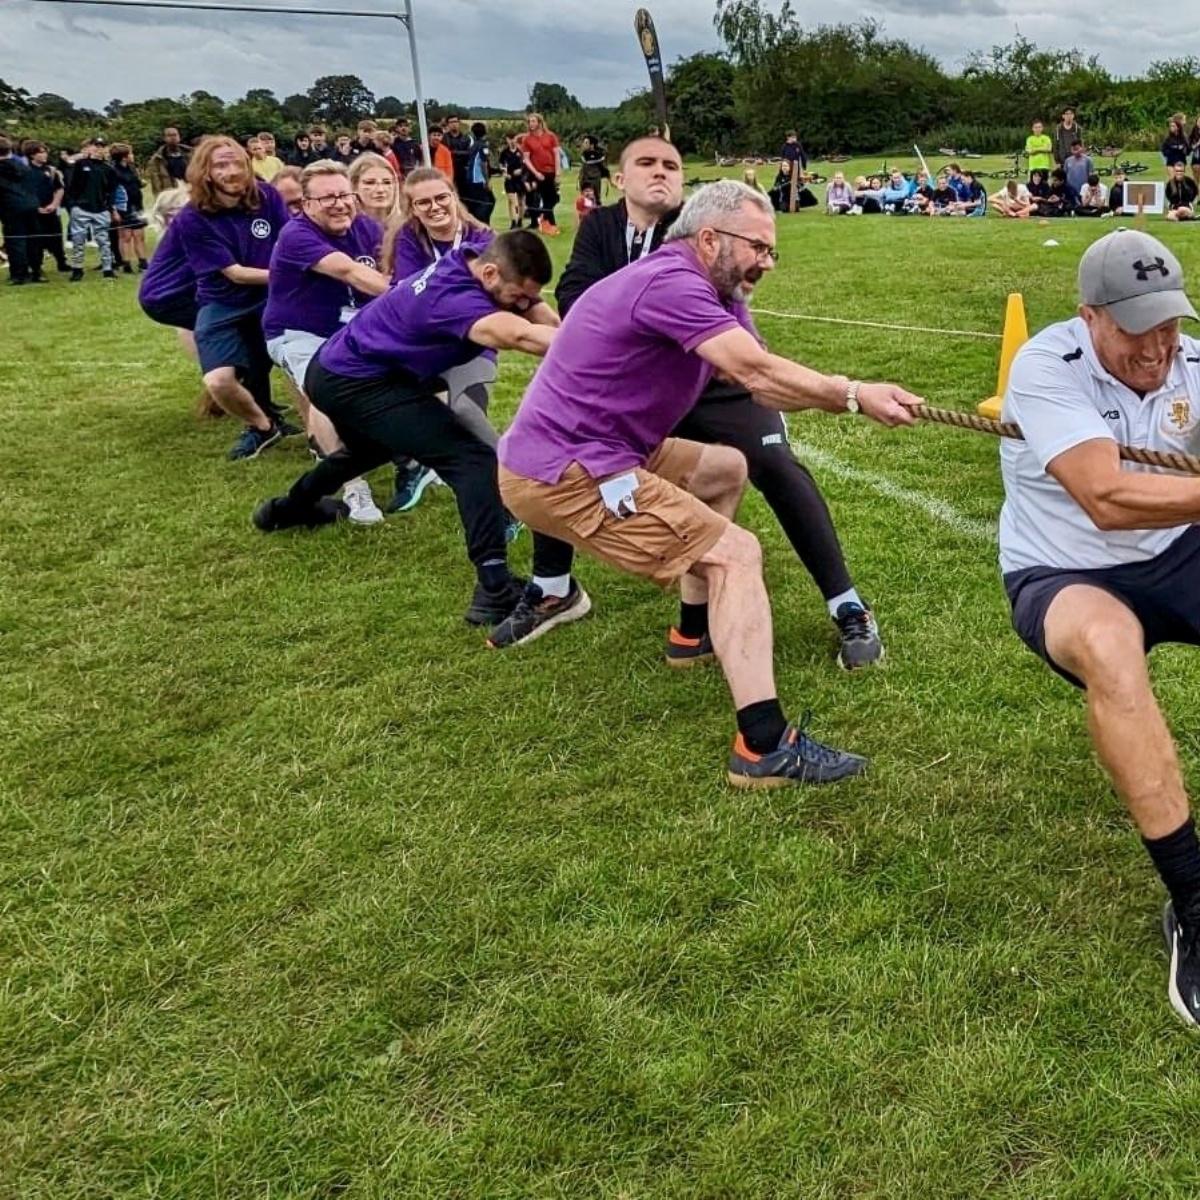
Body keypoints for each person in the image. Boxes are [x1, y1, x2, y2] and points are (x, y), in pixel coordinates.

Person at [496, 180, 921, 784]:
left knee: (726, 469)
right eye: (758, 248)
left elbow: (757, 382)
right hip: (565, 472)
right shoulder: (671, 282)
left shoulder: (719, 294)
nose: (767, 263)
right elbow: (757, 370)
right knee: (736, 555)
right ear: (710, 239)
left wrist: (847, 398)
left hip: (610, 452)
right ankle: (763, 747)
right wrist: (852, 393)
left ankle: (691, 634)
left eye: (773, 251)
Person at [531, 146, 899, 672]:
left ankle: (847, 605)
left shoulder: (704, 232)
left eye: (671, 166)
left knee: (773, 463)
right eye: (647, 164)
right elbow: (574, 294)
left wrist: (845, 393)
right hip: (644, 385)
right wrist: (640, 318)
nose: (660, 173)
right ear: (619, 178)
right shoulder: (603, 228)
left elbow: (751, 358)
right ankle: (557, 588)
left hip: (715, 374)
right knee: (563, 451)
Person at [998, 229, 1200, 1026]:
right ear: (1089, 317)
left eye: (1170, 324)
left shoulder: (1191, 361)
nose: (1156, 348)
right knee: (1110, 651)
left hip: (1177, 550)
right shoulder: (1046, 364)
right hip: (1064, 569)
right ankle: (1193, 903)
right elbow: (1106, 499)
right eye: (1136, 328)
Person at [252, 231, 561, 629]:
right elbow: (520, 334)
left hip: (344, 369)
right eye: (517, 297)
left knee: (366, 452)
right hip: (354, 380)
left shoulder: (471, 257)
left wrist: (547, 316)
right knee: (470, 459)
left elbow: (544, 320)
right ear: (488, 274)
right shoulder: (453, 299)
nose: (522, 305)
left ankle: (287, 510)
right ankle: (494, 591)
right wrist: (599, 344)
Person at [263, 160, 391, 525]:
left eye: (344, 195)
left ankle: (416, 460)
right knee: (324, 386)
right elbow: (350, 271)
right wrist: (414, 296)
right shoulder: (296, 234)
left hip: (354, 330)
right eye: (327, 198)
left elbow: (392, 268)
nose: (339, 204)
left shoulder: (367, 227)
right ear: (306, 204)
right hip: (298, 334)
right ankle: (354, 486)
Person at [379, 166, 507, 512]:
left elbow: (490, 297)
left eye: (441, 197)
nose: (435, 207)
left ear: (454, 197)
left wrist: (439, 296)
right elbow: (410, 294)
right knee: (377, 397)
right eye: (424, 203)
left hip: (470, 343)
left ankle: (514, 484)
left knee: (465, 411)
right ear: (412, 208)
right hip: (421, 346)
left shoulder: (483, 238)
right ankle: (412, 465)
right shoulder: (408, 238)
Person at [172, 135, 293, 459]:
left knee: (297, 357)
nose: (232, 171)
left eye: (237, 162)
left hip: (270, 296)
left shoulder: (267, 196)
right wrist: (291, 274)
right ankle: (263, 426)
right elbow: (236, 273)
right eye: (221, 165)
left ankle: (322, 436)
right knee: (218, 381)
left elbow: (289, 240)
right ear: (206, 172)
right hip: (223, 302)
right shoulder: (191, 217)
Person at [63, 137, 117, 281]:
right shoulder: (80, 164)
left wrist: (110, 207)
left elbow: (112, 191)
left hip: (101, 208)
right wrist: (73, 204)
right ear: (90, 147)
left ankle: (107, 269)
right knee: (78, 240)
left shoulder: (108, 169)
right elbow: (71, 186)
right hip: (81, 207)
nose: (99, 149)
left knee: (104, 240)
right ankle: (77, 268)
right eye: (96, 146)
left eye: (102, 146)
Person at [25, 142, 68, 276]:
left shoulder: (51, 170)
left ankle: (62, 263)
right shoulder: (24, 170)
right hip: (33, 211)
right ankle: (36, 267)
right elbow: (24, 192)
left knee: (56, 237)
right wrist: (35, 207)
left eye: (45, 152)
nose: (44, 155)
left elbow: (59, 189)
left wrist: (54, 204)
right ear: (32, 155)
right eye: (41, 152)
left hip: (51, 210)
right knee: (36, 240)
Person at [0, 135, 38, 284]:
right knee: (31, 239)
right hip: (31, 204)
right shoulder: (22, 165)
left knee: (14, 240)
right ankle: (35, 270)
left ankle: (19, 274)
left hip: (11, 206)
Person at [109, 143, 148, 272]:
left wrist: (141, 183)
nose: (133, 155)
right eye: (130, 153)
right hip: (124, 206)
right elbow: (111, 192)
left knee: (139, 235)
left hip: (136, 205)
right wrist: (114, 211)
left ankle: (143, 262)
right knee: (125, 236)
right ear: (124, 157)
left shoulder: (132, 168)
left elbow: (136, 183)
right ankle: (126, 264)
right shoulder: (113, 171)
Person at [520, 112, 561, 234]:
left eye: (533, 121)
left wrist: (558, 172)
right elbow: (526, 159)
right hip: (539, 172)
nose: (531, 124)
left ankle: (543, 217)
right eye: (529, 122)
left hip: (551, 171)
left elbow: (557, 154)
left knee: (553, 198)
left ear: (539, 122)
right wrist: (536, 173)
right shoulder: (527, 139)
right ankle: (551, 224)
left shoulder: (551, 136)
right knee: (546, 197)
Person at [348, 152, 400, 225]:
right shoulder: (345, 227)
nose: (380, 190)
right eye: (370, 183)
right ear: (354, 187)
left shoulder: (408, 226)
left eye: (387, 182)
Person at [498, 131, 529, 230]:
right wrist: (504, 173)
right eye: (509, 139)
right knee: (512, 201)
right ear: (507, 140)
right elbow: (501, 164)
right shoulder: (504, 152)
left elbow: (526, 164)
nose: (511, 141)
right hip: (509, 179)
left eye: (513, 139)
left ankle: (520, 220)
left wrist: (521, 170)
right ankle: (513, 222)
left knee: (521, 202)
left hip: (520, 180)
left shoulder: (521, 151)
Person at [147, 126, 191, 194]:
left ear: (179, 137)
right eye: (169, 135)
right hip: (170, 193)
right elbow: (156, 181)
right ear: (164, 138)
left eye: (175, 135)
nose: (173, 137)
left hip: (190, 189)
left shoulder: (190, 154)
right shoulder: (157, 159)